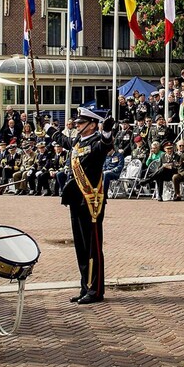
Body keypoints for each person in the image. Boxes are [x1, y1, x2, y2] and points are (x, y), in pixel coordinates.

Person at [61, 106, 115, 305]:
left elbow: (105, 145)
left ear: (92, 125)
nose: (77, 126)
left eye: (81, 123)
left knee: (93, 247)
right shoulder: (77, 141)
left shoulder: (96, 142)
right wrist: (45, 126)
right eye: (76, 123)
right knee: (81, 247)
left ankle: (96, 290)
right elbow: (63, 141)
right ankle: (85, 286)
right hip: (75, 199)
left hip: (90, 200)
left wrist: (107, 131)